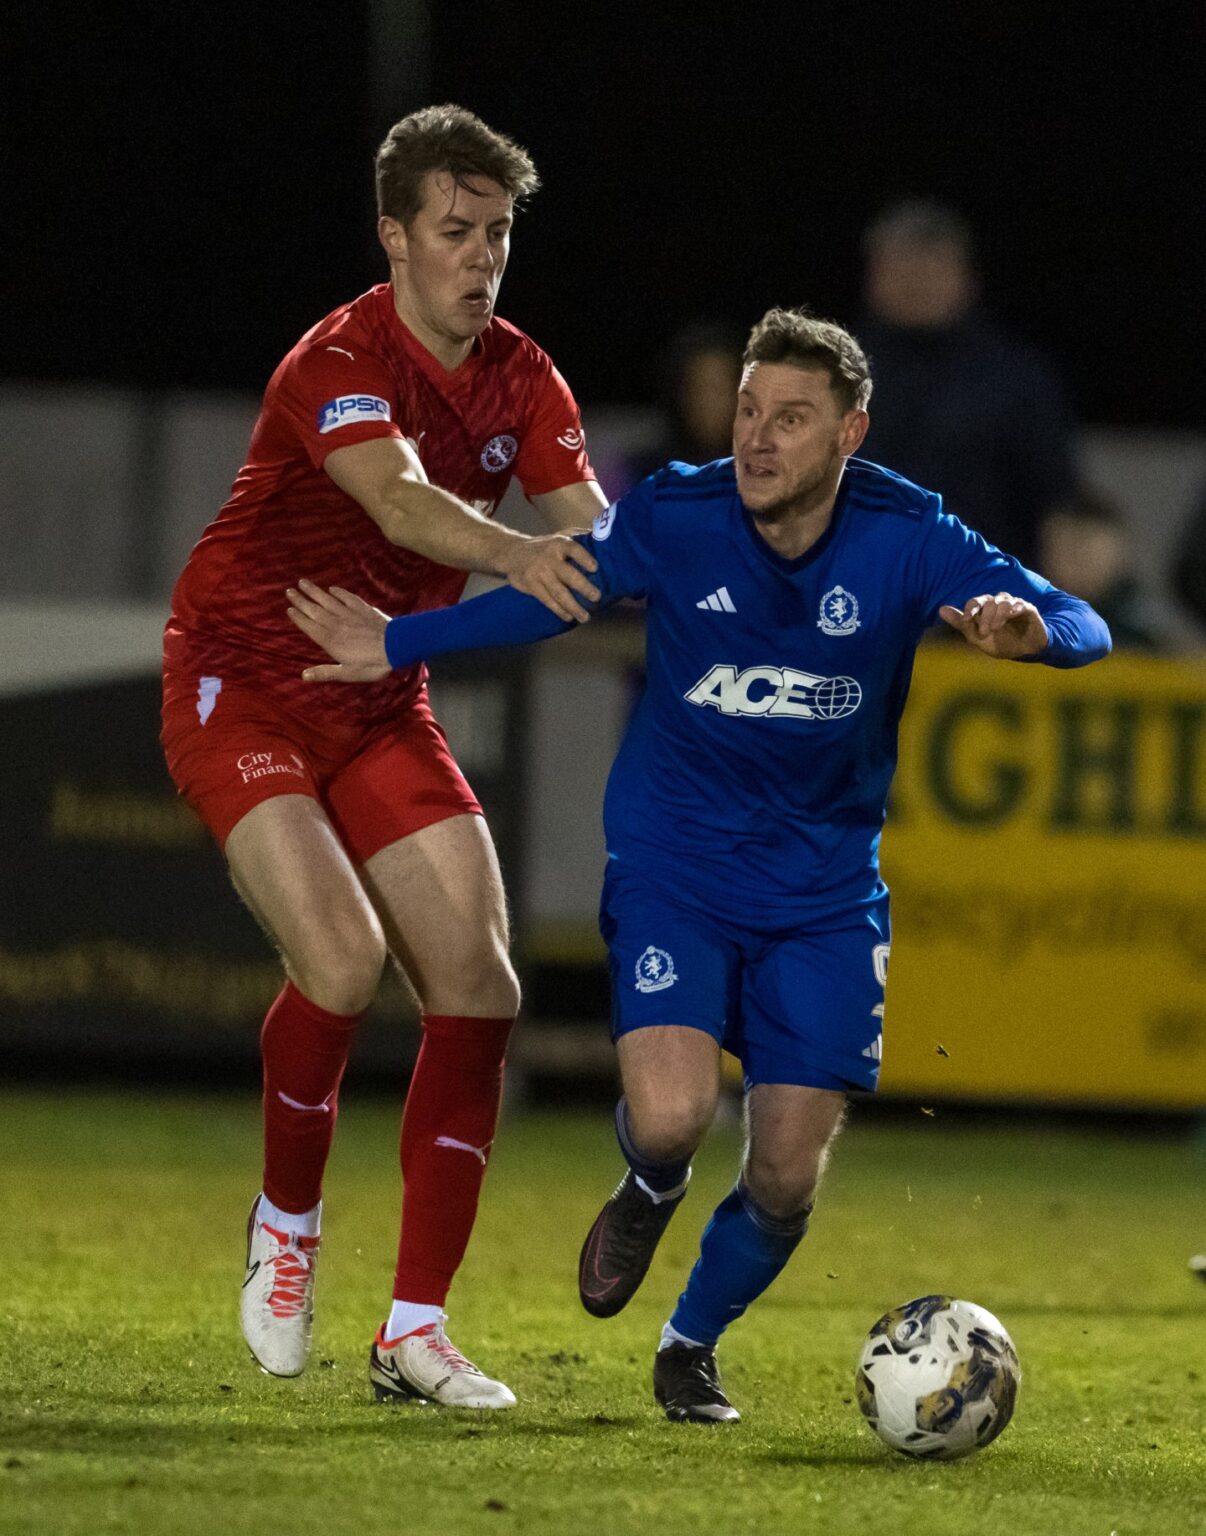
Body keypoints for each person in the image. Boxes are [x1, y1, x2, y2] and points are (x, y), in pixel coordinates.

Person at [284, 306, 1111, 1424]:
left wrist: (1036, 633)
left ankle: (689, 1345)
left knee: (783, 1174)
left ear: (851, 434)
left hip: (823, 896)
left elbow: (1081, 618)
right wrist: (395, 642)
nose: (757, 437)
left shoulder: (907, 531)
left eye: (791, 418)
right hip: (677, 865)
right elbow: (551, 597)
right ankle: (653, 1179)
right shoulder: (677, 512)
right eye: (749, 411)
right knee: (673, 1115)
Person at [160, 103, 607, 1410]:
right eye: (456, 231)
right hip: (242, 684)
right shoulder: (338, 358)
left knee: (480, 985)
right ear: (394, 237)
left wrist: (735, 565)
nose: (482, 257)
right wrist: (526, 556)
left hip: (377, 694)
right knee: (344, 961)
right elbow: (401, 501)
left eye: (499, 233)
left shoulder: (524, 377)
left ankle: (414, 1333)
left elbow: (601, 537)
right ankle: (286, 1226)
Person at [857, 199, 1077, 569]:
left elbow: (1055, 500)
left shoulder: (1015, 378)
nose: (917, 284)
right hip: (854, 583)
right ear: (873, 276)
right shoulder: (829, 372)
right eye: (901, 268)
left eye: (932, 269)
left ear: (967, 277)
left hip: (982, 584)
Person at [1038, 487, 1167, 650]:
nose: (1073, 563)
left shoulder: (1143, 648)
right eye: (1059, 550)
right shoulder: (1023, 633)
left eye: (1084, 550)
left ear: (1119, 553)